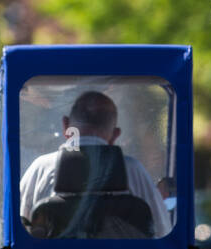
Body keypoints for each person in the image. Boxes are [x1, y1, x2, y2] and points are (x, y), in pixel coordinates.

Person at [19, 89, 172, 238]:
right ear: (115, 135)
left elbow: (19, 230)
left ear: (66, 126)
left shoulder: (40, 169)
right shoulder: (133, 171)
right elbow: (163, 233)